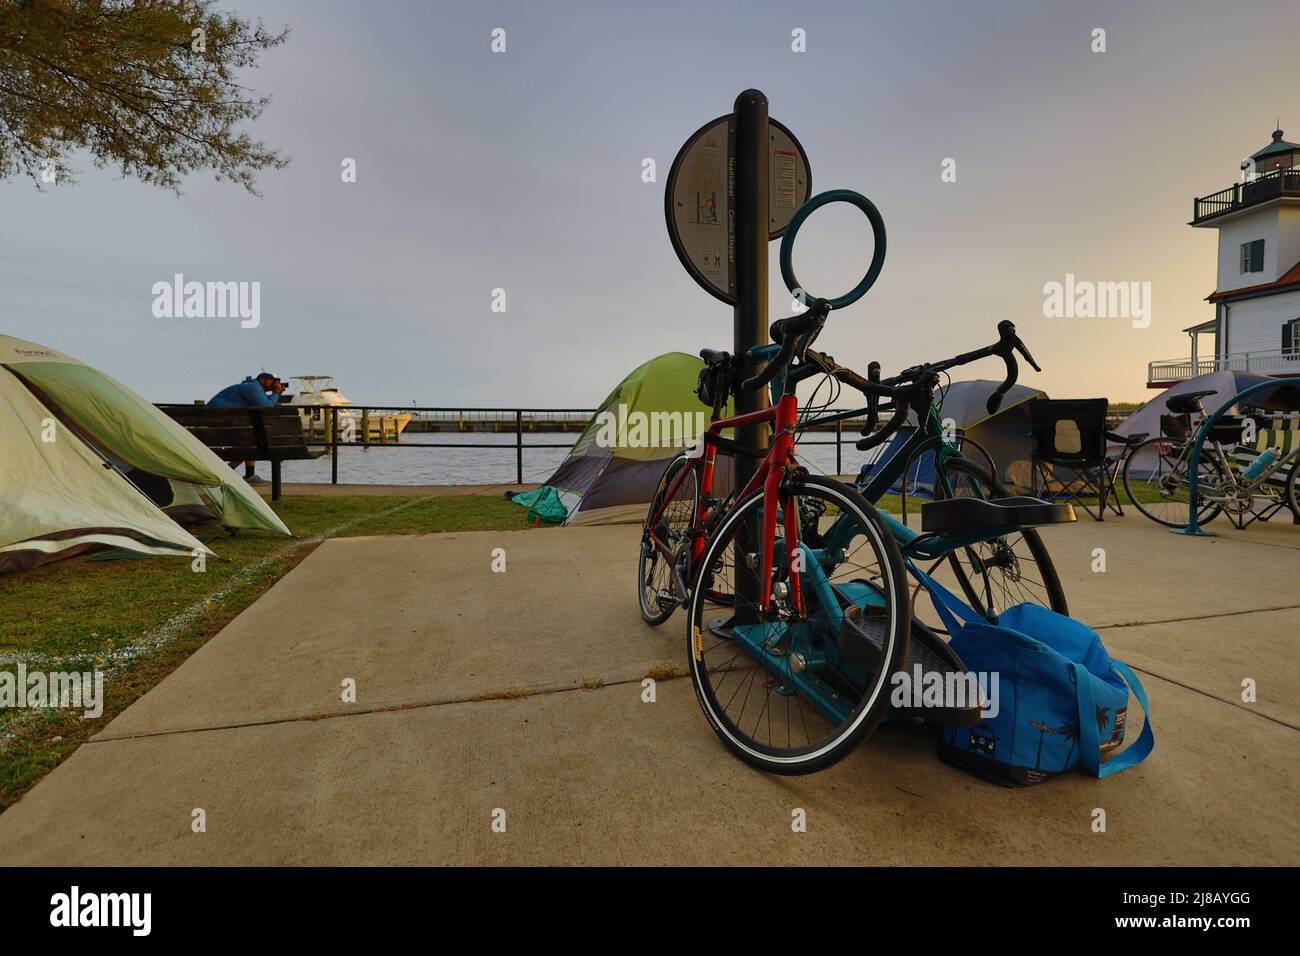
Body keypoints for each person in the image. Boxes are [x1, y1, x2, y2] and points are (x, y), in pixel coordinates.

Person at [207, 372, 286, 484]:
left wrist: (276, 393)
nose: (275, 383)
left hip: (219, 422)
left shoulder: (252, 387)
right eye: (273, 381)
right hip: (220, 422)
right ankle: (231, 472)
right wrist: (276, 393)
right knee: (252, 442)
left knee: (251, 441)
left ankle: (237, 473)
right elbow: (266, 407)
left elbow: (265, 403)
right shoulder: (253, 387)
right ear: (263, 379)